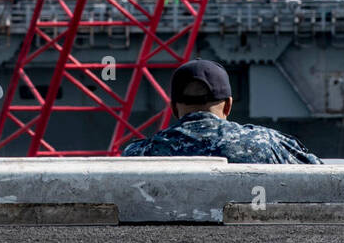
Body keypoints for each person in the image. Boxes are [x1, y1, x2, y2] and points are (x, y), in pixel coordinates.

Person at [122, 59, 321, 164]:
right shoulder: (268, 144)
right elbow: (321, 175)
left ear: (174, 108)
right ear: (228, 105)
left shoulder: (140, 154)